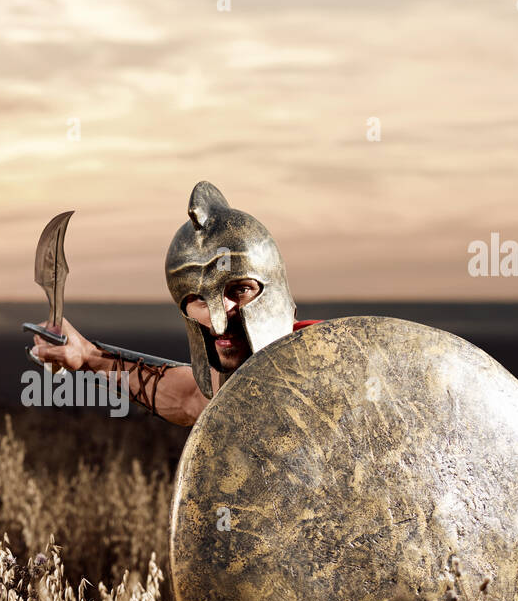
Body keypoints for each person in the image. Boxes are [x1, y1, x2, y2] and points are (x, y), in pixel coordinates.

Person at [30, 181, 317, 426]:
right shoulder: (233, 387)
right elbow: (190, 398)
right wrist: (88, 357)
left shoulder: (331, 365)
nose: (219, 319)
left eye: (239, 290)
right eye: (200, 300)